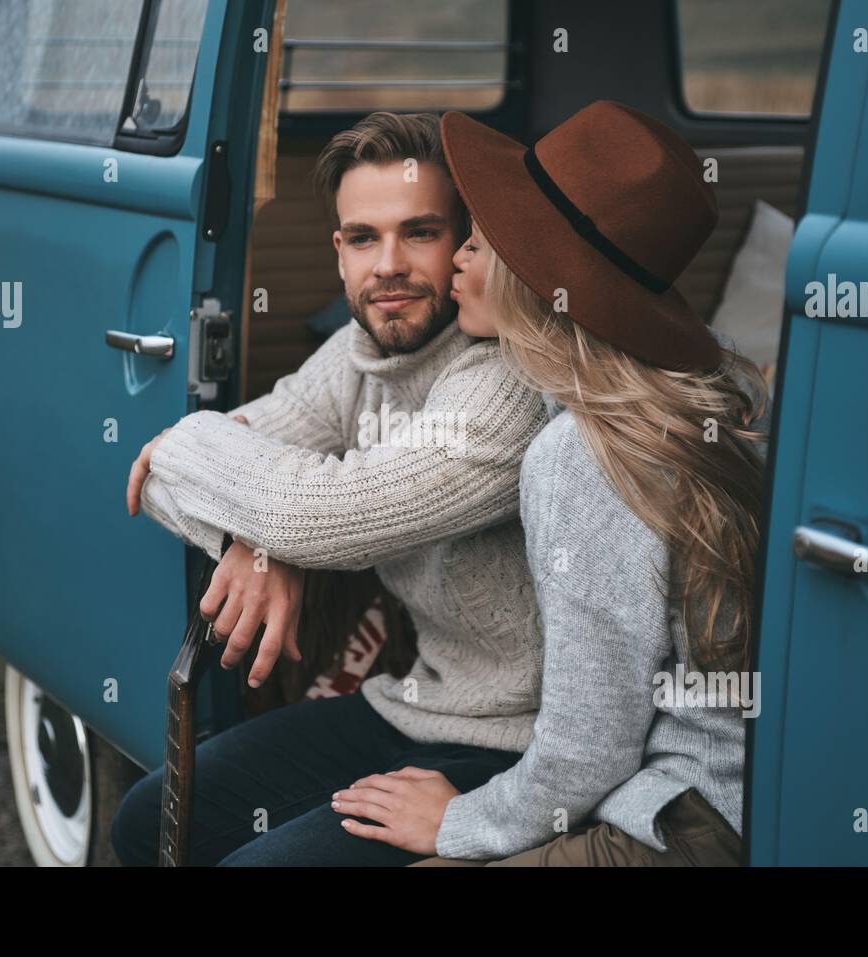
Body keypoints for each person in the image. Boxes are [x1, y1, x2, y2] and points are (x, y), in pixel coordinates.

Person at [330, 101, 769, 866]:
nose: (458, 255)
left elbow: (585, 753)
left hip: (679, 821)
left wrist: (459, 821)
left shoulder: (580, 453)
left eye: (483, 236)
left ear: (538, 275)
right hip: (742, 788)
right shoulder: (709, 381)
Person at [110, 112, 551, 866]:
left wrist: (191, 445)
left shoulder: (503, 385)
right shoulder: (354, 357)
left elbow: (319, 511)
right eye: (362, 238)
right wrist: (254, 543)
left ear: (465, 245)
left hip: (530, 749)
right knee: (146, 821)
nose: (388, 265)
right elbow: (154, 485)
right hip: (417, 706)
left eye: (420, 232)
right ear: (338, 255)